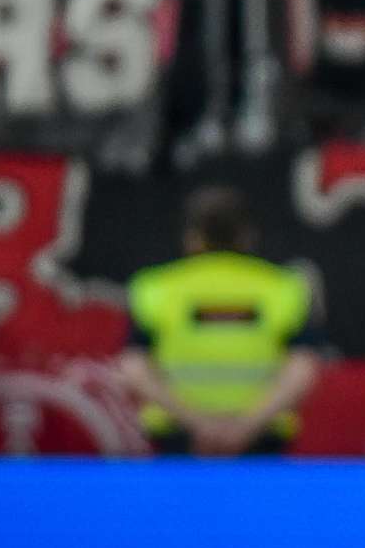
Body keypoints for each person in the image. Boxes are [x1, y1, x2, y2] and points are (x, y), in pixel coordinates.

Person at [118, 186, 323, 456]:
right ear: (247, 235)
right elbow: (301, 370)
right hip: (261, 442)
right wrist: (245, 428)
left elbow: (134, 369)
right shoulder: (284, 288)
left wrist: (199, 425)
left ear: (192, 237)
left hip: (178, 441)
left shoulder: (155, 288)